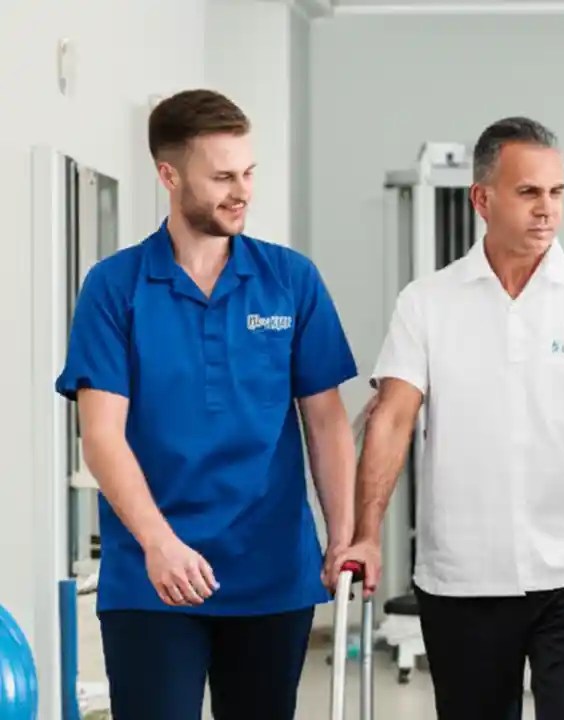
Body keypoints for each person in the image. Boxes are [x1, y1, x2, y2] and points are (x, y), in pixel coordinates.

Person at [335, 116, 564, 719]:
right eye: (529, 192)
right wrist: (366, 533)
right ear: (482, 199)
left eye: (557, 192)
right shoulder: (427, 302)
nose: (547, 209)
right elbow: (391, 420)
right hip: (462, 575)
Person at [55, 89, 359, 719]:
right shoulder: (115, 287)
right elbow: (102, 435)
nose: (241, 191)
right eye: (221, 176)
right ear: (169, 176)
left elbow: (325, 421)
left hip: (271, 569)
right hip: (153, 573)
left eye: (248, 173)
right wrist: (160, 544)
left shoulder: (291, 280)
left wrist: (344, 536)